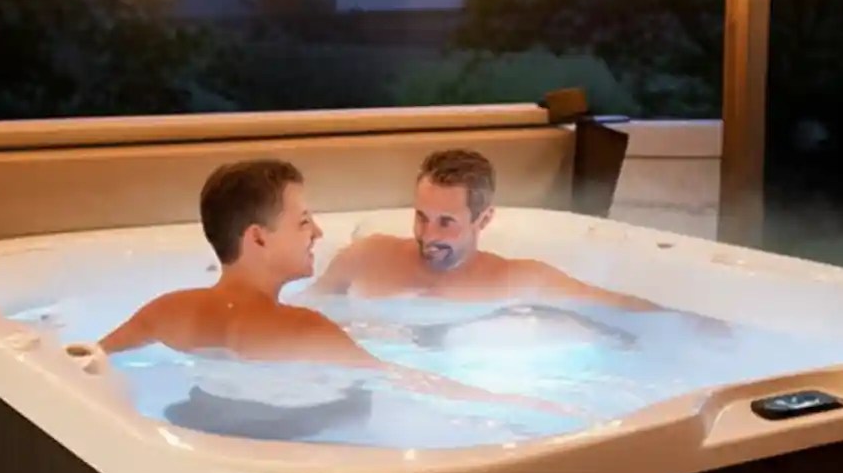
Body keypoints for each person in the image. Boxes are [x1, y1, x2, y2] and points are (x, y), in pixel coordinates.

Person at [68, 158, 575, 414]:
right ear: (258, 238)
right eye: (303, 221)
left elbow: (82, 362)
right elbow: (410, 383)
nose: (318, 232)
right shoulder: (306, 332)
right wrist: (533, 408)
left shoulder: (163, 312)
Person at [307, 149, 662, 311]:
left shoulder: (518, 280)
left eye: (446, 222)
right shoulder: (365, 257)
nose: (428, 235)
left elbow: (621, 307)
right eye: (421, 216)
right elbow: (302, 312)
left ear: (484, 219)